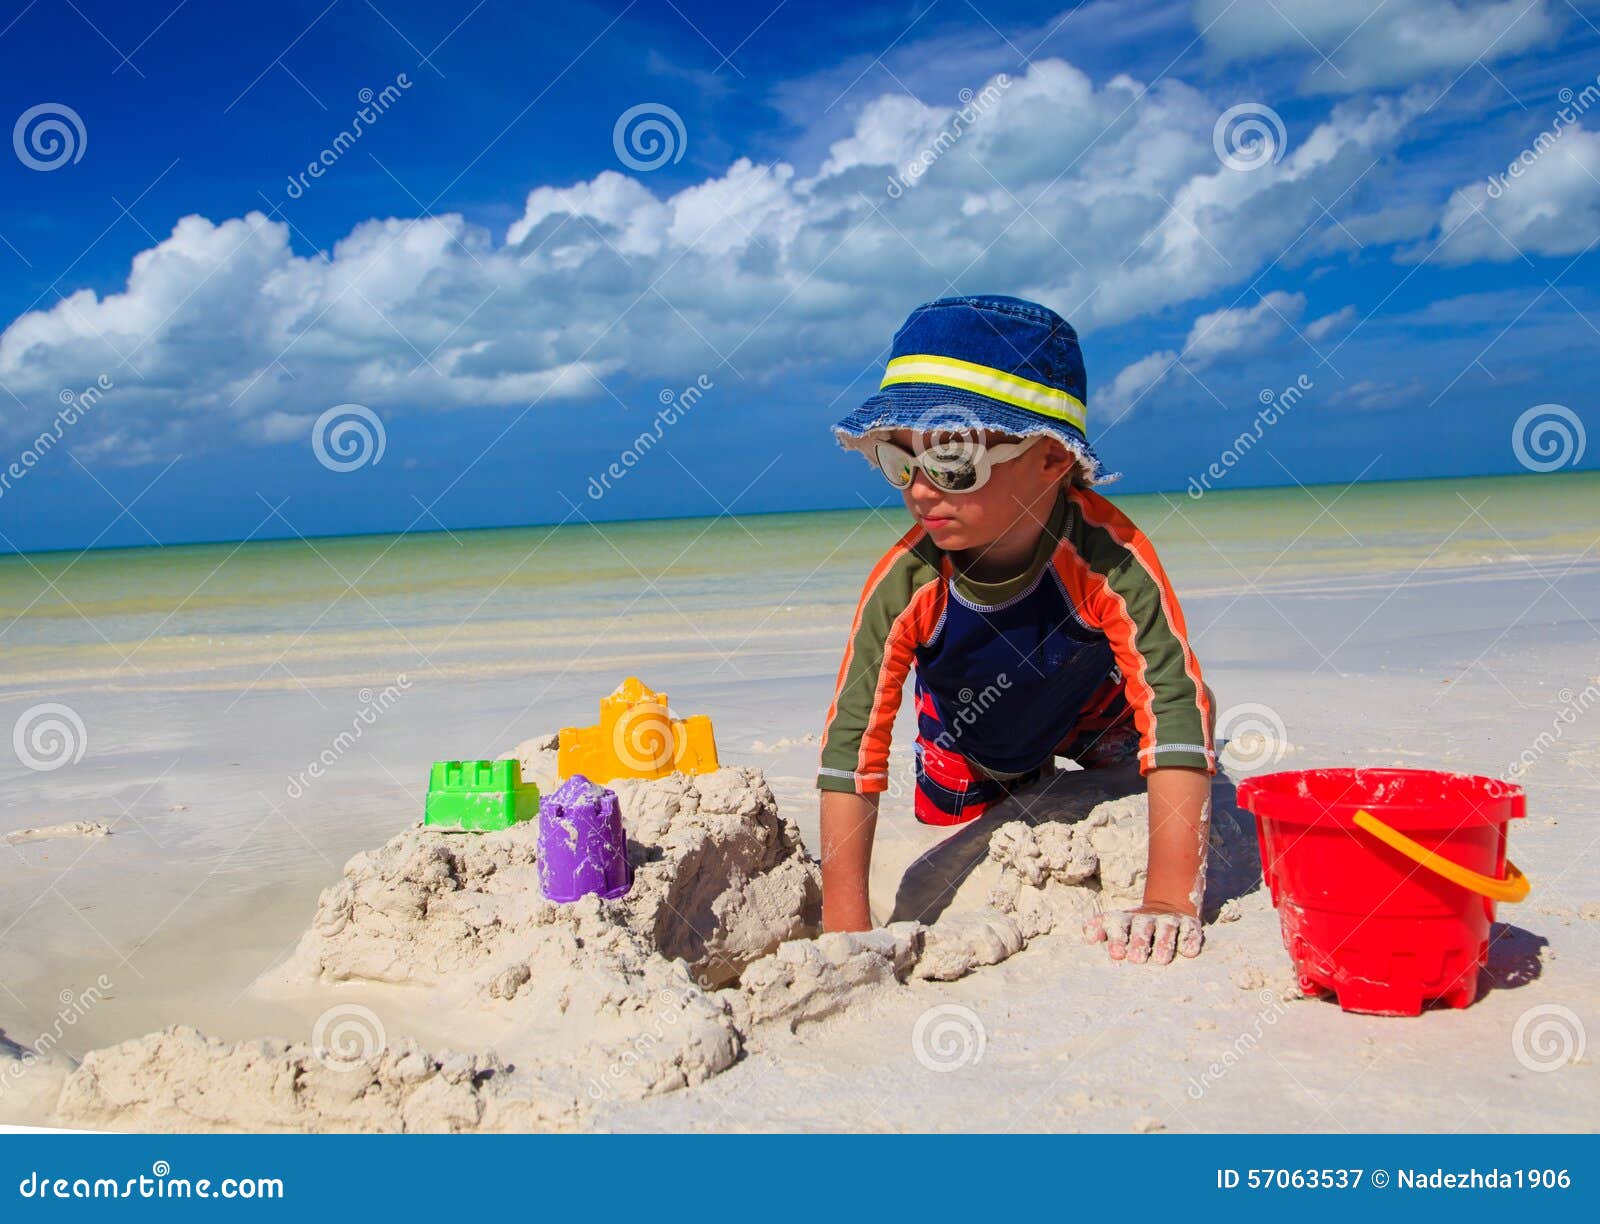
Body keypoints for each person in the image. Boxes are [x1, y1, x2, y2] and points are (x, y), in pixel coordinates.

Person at [815, 293, 1218, 966]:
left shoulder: (1108, 557)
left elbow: (1175, 705)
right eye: (900, 460)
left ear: (1052, 460)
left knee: (1143, 754)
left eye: (952, 461)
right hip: (973, 739)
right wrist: (846, 928)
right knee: (970, 817)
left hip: (1086, 706)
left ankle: (1085, 762)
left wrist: (1170, 898)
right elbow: (853, 745)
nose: (918, 491)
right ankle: (1013, 776)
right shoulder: (907, 584)